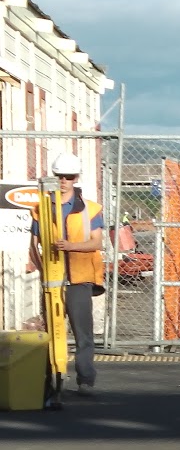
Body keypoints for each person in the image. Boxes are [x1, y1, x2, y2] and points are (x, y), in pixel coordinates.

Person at [29, 152, 105, 394]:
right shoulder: (41, 207)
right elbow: (33, 244)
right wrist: (41, 270)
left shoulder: (89, 209)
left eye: (68, 177)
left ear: (76, 178)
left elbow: (96, 243)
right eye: (59, 176)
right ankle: (52, 379)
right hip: (52, 280)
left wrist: (71, 246)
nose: (63, 181)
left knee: (83, 333)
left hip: (79, 278)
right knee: (51, 332)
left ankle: (85, 379)